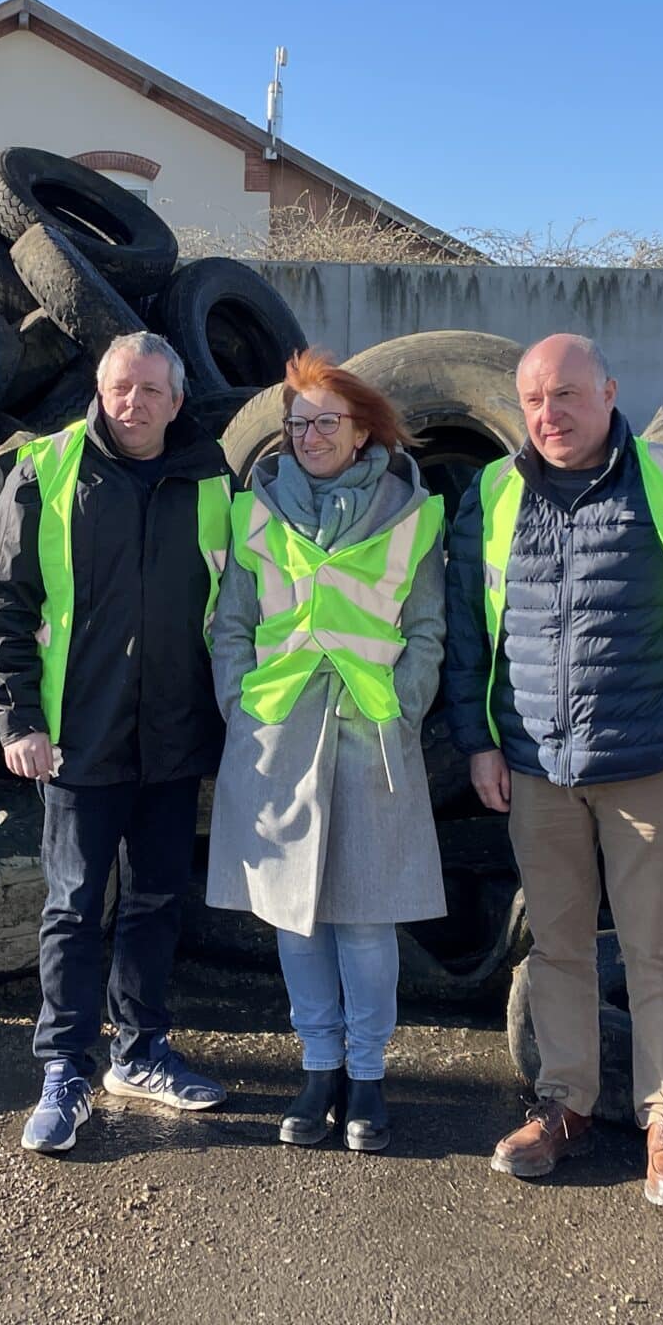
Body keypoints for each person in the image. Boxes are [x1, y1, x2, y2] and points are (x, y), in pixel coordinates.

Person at [444, 332, 663, 1209]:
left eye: (566, 396)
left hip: (649, 760)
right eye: (534, 401)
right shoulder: (493, 490)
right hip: (536, 764)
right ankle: (564, 1105)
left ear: (610, 392)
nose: (549, 416)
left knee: (656, 948)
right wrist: (479, 741)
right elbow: (471, 626)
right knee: (555, 947)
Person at [0, 331, 234, 1155]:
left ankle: (141, 1049)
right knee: (75, 908)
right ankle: (64, 1068)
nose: (134, 403)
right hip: (77, 739)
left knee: (156, 903)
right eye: (122, 387)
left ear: (177, 400)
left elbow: (240, 608)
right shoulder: (46, 470)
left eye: (151, 390)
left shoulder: (215, 480)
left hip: (175, 739)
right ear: (100, 387)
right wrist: (17, 721)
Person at [205, 349, 447, 1154]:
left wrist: (405, 707)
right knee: (295, 919)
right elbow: (230, 624)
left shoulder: (416, 515)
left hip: (371, 731)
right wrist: (241, 706)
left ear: (363, 428)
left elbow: (426, 629)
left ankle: (368, 1077)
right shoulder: (254, 512)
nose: (309, 436)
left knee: (367, 921)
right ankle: (318, 1070)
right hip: (277, 734)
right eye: (297, 422)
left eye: (325, 422)